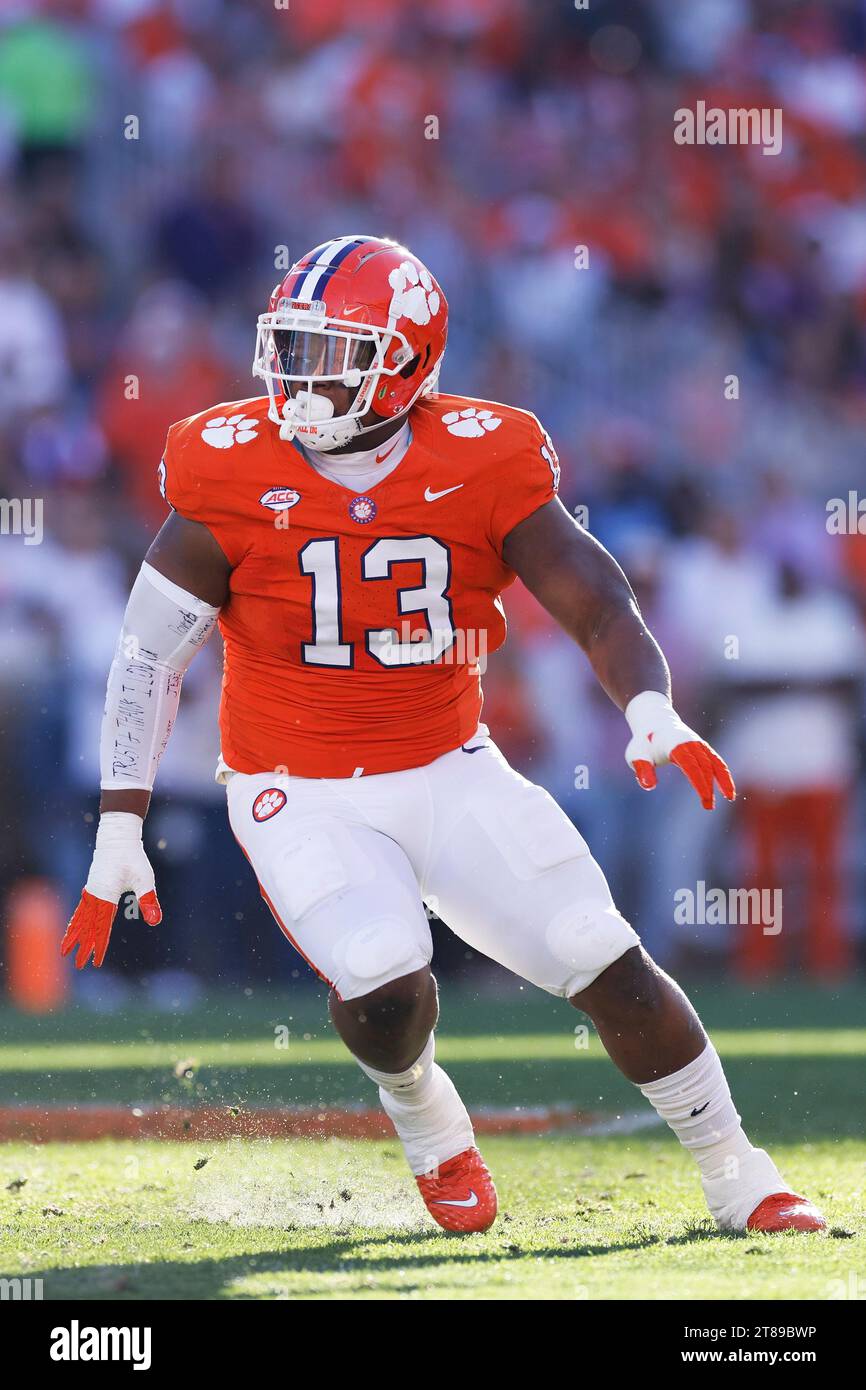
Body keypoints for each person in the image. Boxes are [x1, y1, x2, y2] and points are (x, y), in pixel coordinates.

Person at [62, 235, 824, 1236]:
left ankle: (738, 1173)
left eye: (331, 355)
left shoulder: (483, 452)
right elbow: (147, 657)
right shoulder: (226, 463)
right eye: (291, 347)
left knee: (598, 948)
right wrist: (121, 824)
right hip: (298, 783)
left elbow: (591, 599)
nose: (297, 379)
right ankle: (423, 1109)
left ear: (404, 365)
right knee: (383, 967)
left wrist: (647, 705)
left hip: (449, 766)